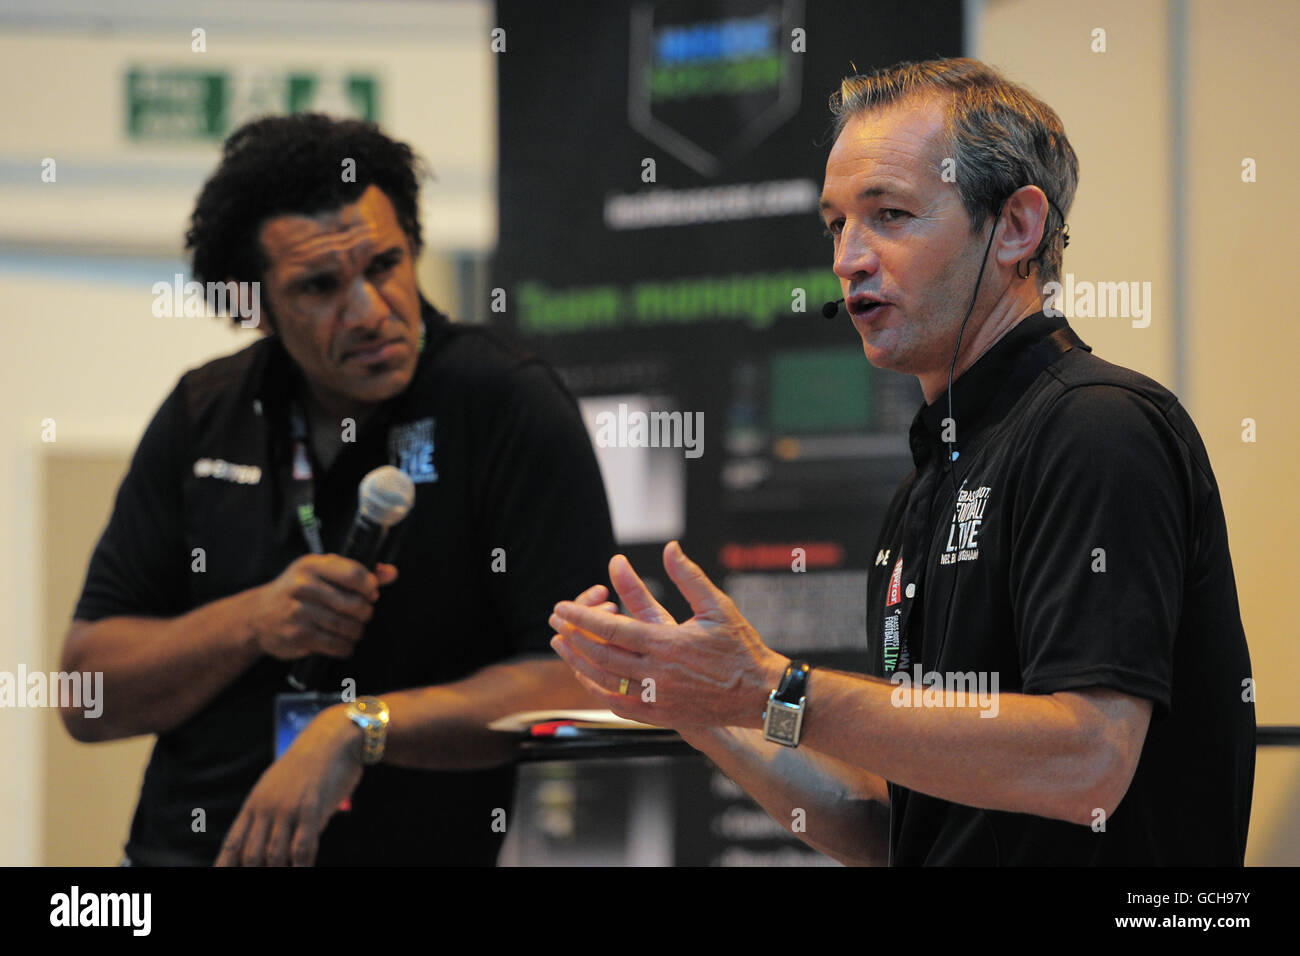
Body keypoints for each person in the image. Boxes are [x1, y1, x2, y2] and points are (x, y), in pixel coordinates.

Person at [549, 58, 1254, 865]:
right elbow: (894, 833)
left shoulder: (1098, 429)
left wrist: (775, 687)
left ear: (1016, 229)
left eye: (888, 214)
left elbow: (1086, 762)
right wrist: (707, 713)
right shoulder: (927, 486)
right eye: (836, 225)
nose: (848, 257)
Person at [59, 114, 614, 866]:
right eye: (320, 287)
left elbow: (576, 681)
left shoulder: (506, 405)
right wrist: (253, 620)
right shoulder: (203, 411)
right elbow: (87, 695)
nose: (368, 311)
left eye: (384, 265)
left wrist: (362, 727)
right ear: (252, 305)